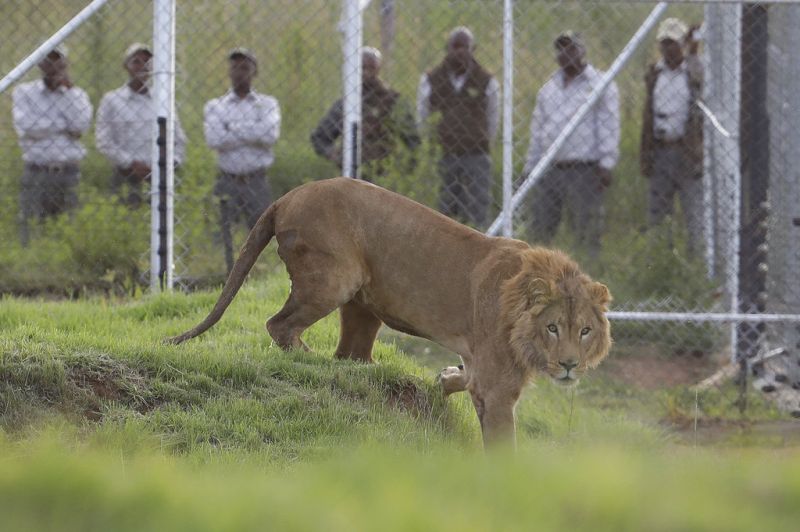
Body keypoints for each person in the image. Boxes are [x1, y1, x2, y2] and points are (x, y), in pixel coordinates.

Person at [522, 31, 620, 259]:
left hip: (584, 168)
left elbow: (609, 125)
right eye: (561, 49)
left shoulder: (600, 84)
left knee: (586, 230)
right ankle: (539, 278)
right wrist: (530, 168)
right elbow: (537, 131)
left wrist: (607, 163)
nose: (565, 54)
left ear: (582, 51)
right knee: (540, 228)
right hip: (551, 168)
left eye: (571, 48)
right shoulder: (549, 89)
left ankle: (588, 278)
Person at [204, 48, 281, 273]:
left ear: (254, 72)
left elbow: (269, 135)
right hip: (227, 179)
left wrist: (232, 128)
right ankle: (222, 272)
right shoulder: (215, 105)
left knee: (263, 233)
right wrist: (252, 130)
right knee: (222, 234)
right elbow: (214, 139)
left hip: (256, 181)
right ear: (229, 71)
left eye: (245, 67)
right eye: (235, 67)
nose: (239, 72)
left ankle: (262, 272)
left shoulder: (267, 104)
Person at [417, 26, 499, 229]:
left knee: (478, 209)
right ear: (448, 49)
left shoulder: (487, 81)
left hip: (476, 155)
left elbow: (493, 119)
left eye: (465, 47)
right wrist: (431, 145)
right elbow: (423, 117)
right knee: (443, 210)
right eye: (456, 46)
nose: (460, 51)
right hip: (443, 154)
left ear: (474, 49)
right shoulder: (430, 80)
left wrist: (481, 140)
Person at [12, 45, 92, 246]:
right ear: (40, 64)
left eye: (58, 60)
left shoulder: (77, 95)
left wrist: (67, 95)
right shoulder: (24, 92)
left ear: (65, 64)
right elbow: (27, 127)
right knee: (31, 226)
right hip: (37, 168)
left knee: (69, 225)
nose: (53, 65)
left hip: (68, 171)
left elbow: (80, 126)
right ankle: (29, 263)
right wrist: (63, 126)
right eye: (48, 60)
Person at [640, 18, 704, 257]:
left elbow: (699, 74)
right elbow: (648, 114)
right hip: (660, 150)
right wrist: (646, 154)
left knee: (693, 213)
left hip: (687, 150)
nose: (669, 49)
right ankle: (660, 259)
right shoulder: (655, 74)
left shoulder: (693, 71)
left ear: (682, 44)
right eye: (665, 44)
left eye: (674, 43)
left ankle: (696, 262)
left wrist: (694, 47)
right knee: (658, 213)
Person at [96, 42, 187, 208]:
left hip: (160, 176)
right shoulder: (112, 100)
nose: (143, 66)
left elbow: (179, 139)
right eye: (136, 61)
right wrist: (131, 164)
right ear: (126, 66)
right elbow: (104, 141)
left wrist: (168, 164)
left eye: (147, 62)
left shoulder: (163, 101)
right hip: (125, 175)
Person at [310, 46, 419, 182]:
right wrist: (334, 154)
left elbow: (413, 141)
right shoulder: (346, 103)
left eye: (370, 68)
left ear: (378, 69)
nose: (365, 73)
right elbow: (319, 137)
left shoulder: (393, 101)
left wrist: (404, 168)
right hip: (351, 175)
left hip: (384, 176)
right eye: (361, 68)